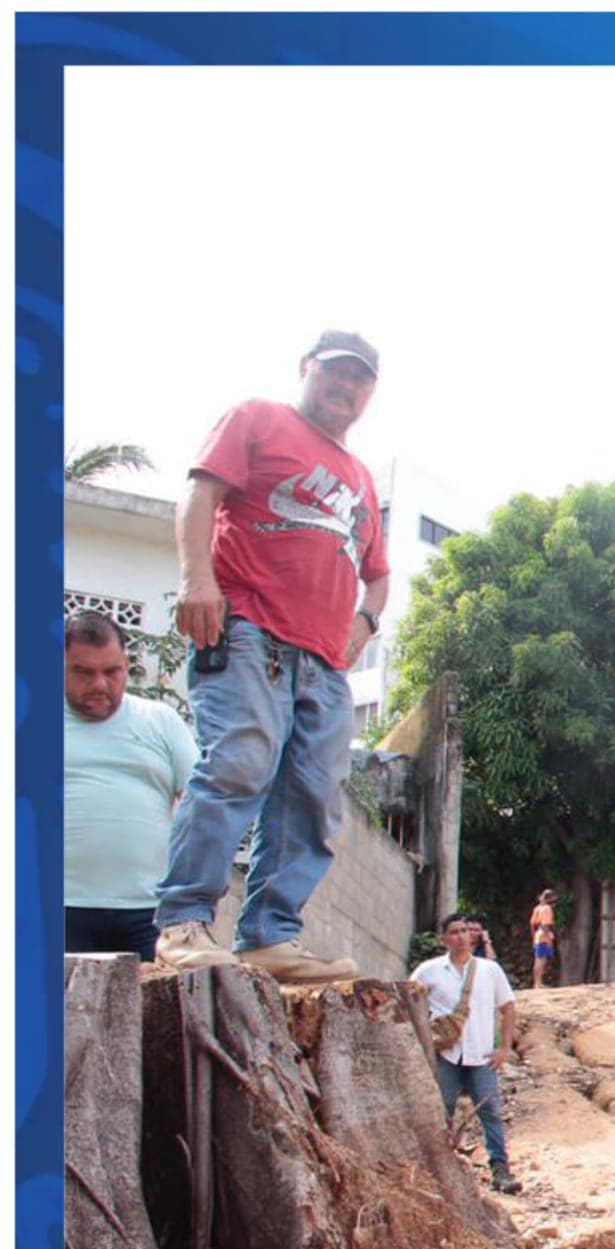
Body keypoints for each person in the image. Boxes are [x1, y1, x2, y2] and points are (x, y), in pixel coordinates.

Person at [152, 331, 389, 982]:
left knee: (312, 797)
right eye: (335, 372)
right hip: (249, 626)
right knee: (237, 764)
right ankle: (182, 922)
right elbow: (200, 494)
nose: (345, 386)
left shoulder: (362, 479)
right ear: (306, 368)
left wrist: (364, 624)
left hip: (323, 659)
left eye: (359, 379)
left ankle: (268, 937)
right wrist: (196, 580)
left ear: (370, 391)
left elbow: (378, 575)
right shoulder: (258, 418)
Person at [64, 611, 198, 960]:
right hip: (56, 906)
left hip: (150, 913)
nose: (99, 685)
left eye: (112, 672)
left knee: (150, 1014)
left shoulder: (160, 721)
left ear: (127, 664)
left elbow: (202, 804)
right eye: (83, 672)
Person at [411, 910, 523, 1195]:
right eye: (455, 932)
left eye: (465, 931)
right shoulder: (429, 971)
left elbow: (508, 1007)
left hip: (482, 1055)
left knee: (490, 1111)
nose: (461, 937)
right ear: (444, 938)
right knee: (441, 1109)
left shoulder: (489, 970)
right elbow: (409, 1001)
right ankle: (437, 1168)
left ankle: (500, 1169)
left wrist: (504, 1048)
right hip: (446, 1055)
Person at [529, 890, 558, 988]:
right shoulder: (547, 909)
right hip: (543, 935)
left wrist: (533, 938)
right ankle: (538, 983)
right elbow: (545, 924)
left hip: (537, 935)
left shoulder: (537, 908)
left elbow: (532, 924)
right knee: (541, 960)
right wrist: (549, 939)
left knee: (538, 959)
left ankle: (537, 982)